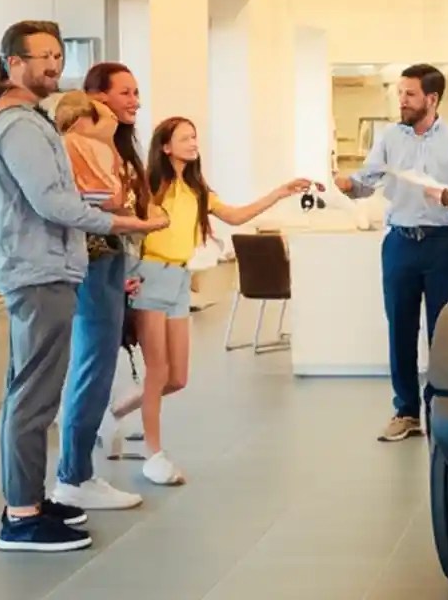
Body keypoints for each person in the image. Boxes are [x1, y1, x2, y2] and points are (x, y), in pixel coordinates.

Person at [0, 20, 169, 553]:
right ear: (14, 64)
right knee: (33, 397)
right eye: (41, 57)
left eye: (58, 55)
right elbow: (52, 203)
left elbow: (56, 194)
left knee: (30, 393)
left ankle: (28, 499)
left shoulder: (21, 121)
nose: (54, 65)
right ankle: (22, 517)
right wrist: (126, 224)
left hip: (43, 266)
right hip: (40, 270)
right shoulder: (19, 126)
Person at [108, 116, 313, 485]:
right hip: (150, 276)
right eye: (185, 138)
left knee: (178, 378)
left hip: (179, 280)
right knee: (157, 372)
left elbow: (235, 215)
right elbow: (127, 227)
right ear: (166, 146)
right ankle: (153, 454)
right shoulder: (151, 185)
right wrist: (126, 272)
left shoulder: (197, 187)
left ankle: (115, 413)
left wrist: (278, 193)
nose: (193, 142)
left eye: (195, 137)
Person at [334, 64, 448, 442]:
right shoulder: (389, 139)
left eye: (410, 94)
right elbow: (366, 183)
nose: (402, 101)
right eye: (400, 93)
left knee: (440, 333)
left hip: (442, 244)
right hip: (399, 244)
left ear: (432, 99)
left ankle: (440, 411)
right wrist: (346, 184)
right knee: (401, 328)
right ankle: (406, 412)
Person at [47, 85, 146, 511]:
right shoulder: (78, 145)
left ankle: (77, 471)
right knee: (92, 364)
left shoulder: (95, 147)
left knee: (97, 364)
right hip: (95, 258)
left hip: (107, 259)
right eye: (122, 95)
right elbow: (109, 201)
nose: (131, 104)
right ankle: (73, 475)